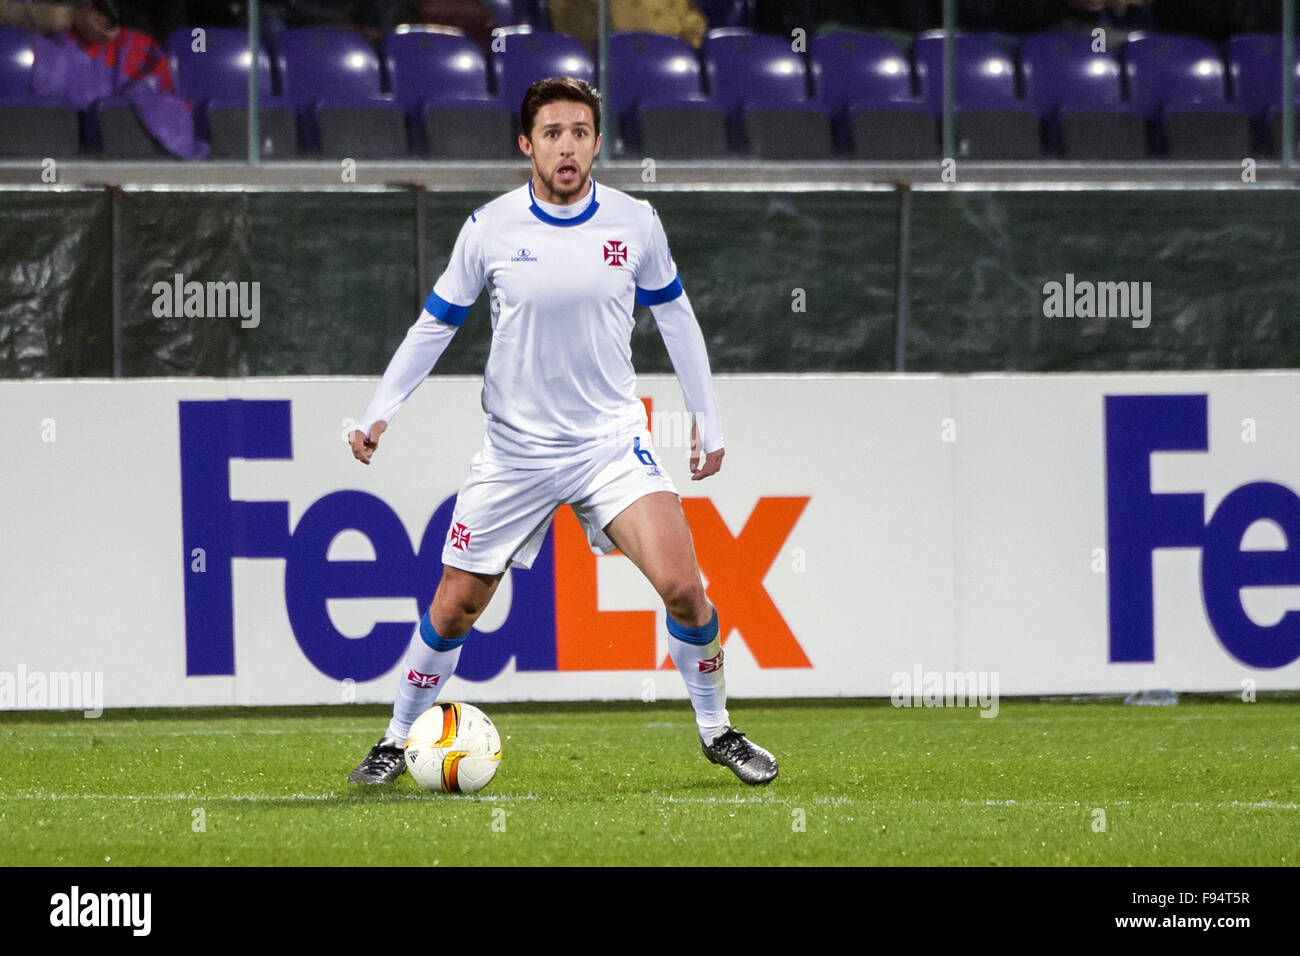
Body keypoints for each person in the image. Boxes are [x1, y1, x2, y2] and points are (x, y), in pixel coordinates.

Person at [346, 76, 778, 787]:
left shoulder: (636, 223)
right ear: (527, 145)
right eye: (552, 134)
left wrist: (709, 420)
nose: (567, 146)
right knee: (455, 608)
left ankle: (717, 729)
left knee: (684, 586)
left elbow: (676, 316)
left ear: (598, 143)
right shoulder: (489, 228)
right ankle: (396, 739)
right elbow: (436, 324)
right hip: (516, 454)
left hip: (611, 445)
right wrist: (377, 412)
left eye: (580, 132)